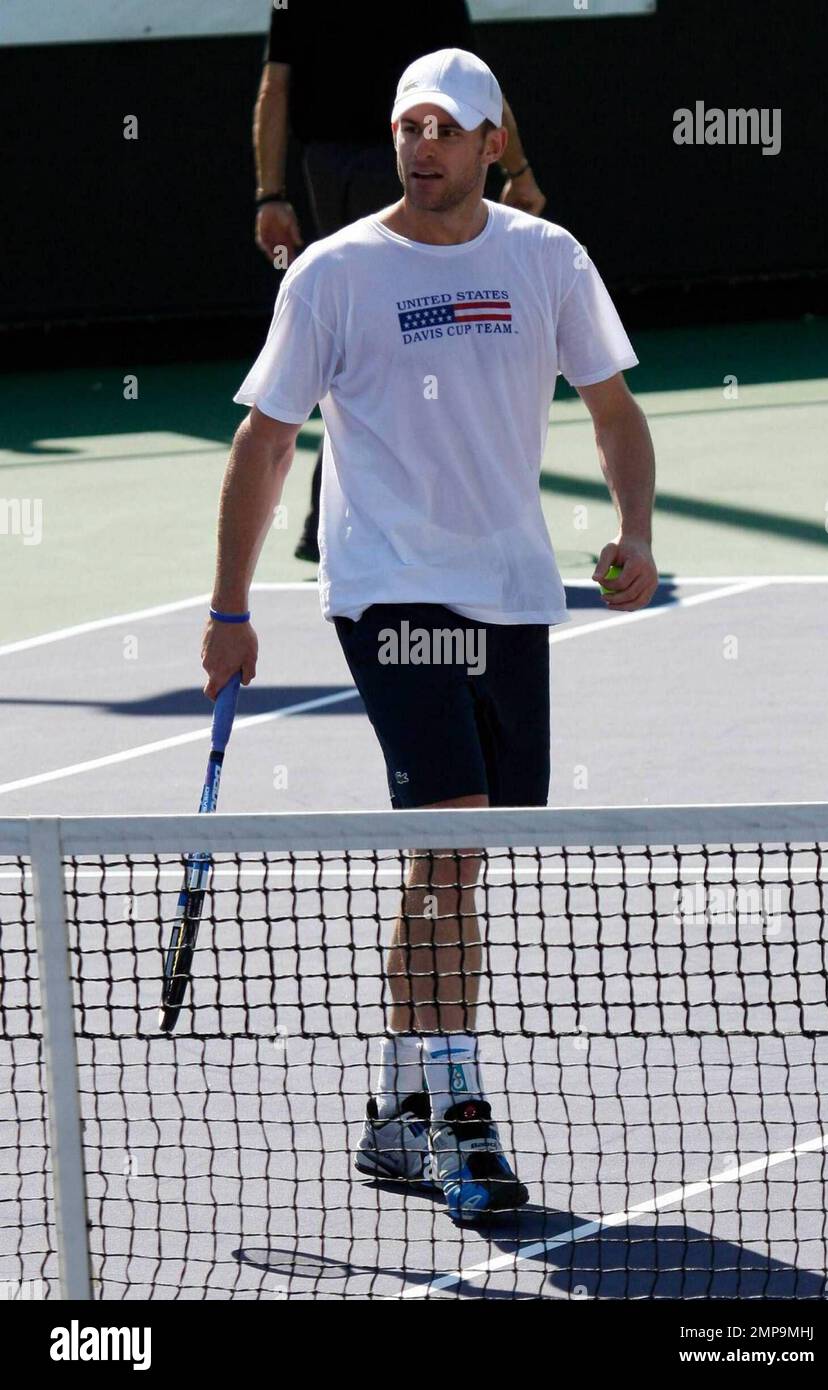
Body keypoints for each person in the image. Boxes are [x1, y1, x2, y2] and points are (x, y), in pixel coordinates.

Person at [204, 48, 657, 1221]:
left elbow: (613, 408)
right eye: (409, 126)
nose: (422, 146)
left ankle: (398, 1105)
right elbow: (265, 444)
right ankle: (461, 1117)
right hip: (389, 593)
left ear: (493, 140)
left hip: (513, 591)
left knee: (451, 859)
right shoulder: (333, 274)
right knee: (453, 851)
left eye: (447, 129)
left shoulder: (548, 259)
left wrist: (635, 534)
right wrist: (230, 609)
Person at [252, 2, 546, 563]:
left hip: (332, 170)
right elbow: (478, 88)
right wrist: (520, 171)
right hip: (402, 169)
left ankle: (331, 515)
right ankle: (379, 519)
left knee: (365, 339)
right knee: (403, 343)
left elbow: (275, 89)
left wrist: (270, 193)